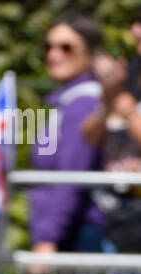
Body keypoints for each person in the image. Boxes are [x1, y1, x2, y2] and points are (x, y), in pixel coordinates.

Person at [30, 13, 105, 256]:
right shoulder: (65, 101)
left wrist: (48, 238)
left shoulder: (82, 103)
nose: (54, 55)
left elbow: (70, 177)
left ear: (91, 54)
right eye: (49, 46)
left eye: (67, 48)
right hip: (67, 231)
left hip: (76, 235)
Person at [82, 13, 141, 254]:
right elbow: (88, 137)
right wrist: (108, 99)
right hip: (114, 212)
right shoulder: (128, 74)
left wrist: (122, 105)